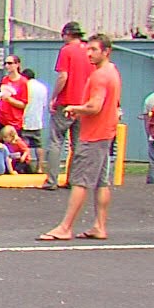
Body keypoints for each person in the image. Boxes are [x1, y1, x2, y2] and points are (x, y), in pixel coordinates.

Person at [38, 34, 122, 241]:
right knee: (102, 182)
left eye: (94, 49)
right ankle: (99, 226)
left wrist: (75, 108)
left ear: (106, 51)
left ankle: (65, 227)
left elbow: (95, 106)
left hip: (93, 136)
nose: (89, 53)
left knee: (80, 181)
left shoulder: (100, 75)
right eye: (89, 49)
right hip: (105, 134)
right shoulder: (112, 72)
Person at [45, 22, 91, 189]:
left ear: (67, 34)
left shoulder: (66, 51)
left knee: (56, 141)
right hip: (84, 103)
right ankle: (74, 179)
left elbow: (63, 76)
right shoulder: (89, 51)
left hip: (66, 102)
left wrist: (54, 97)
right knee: (78, 143)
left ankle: (51, 180)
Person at [20, 68, 48, 170]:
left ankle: (26, 166)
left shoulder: (24, 86)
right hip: (37, 120)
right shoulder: (42, 87)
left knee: (24, 145)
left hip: (24, 119)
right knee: (38, 145)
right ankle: (40, 167)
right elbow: (44, 105)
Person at [0, 54, 29, 131]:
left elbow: (23, 104)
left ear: (17, 64)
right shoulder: (4, 79)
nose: (7, 66)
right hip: (0, 117)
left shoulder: (23, 82)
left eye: (10, 63)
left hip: (14, 121)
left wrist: (9, 99)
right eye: (5, 63)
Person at [142, 76, 154, 185]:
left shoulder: (151, 98)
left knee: (153, 156)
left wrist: (149, 132)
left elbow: (146, 117)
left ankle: (152, 179)